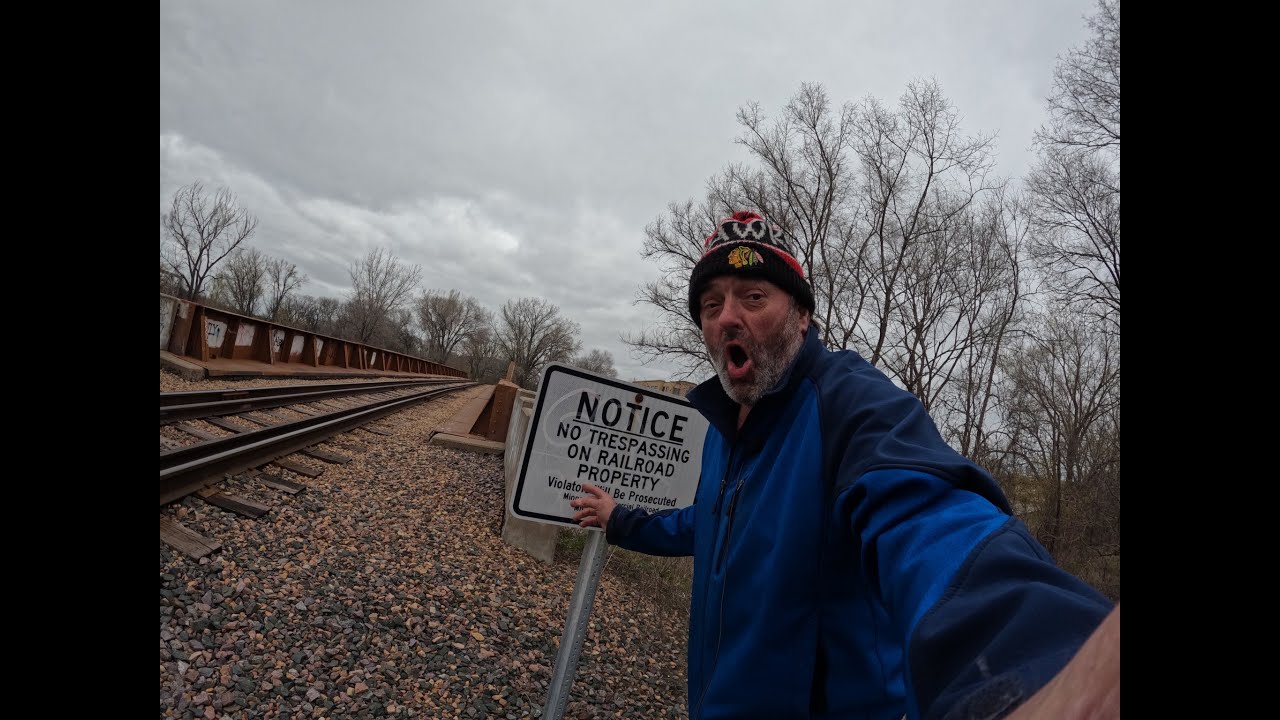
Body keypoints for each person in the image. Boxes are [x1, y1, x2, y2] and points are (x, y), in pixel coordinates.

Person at [570, 210, 1118, 719]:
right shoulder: (723, 430)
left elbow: (932, 524)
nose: (728, 317)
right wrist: (621, 519)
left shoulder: (851, 405)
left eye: (754, 297)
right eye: (711, 306)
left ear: (802, 316)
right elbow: (708, 521)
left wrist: (1033, 669)